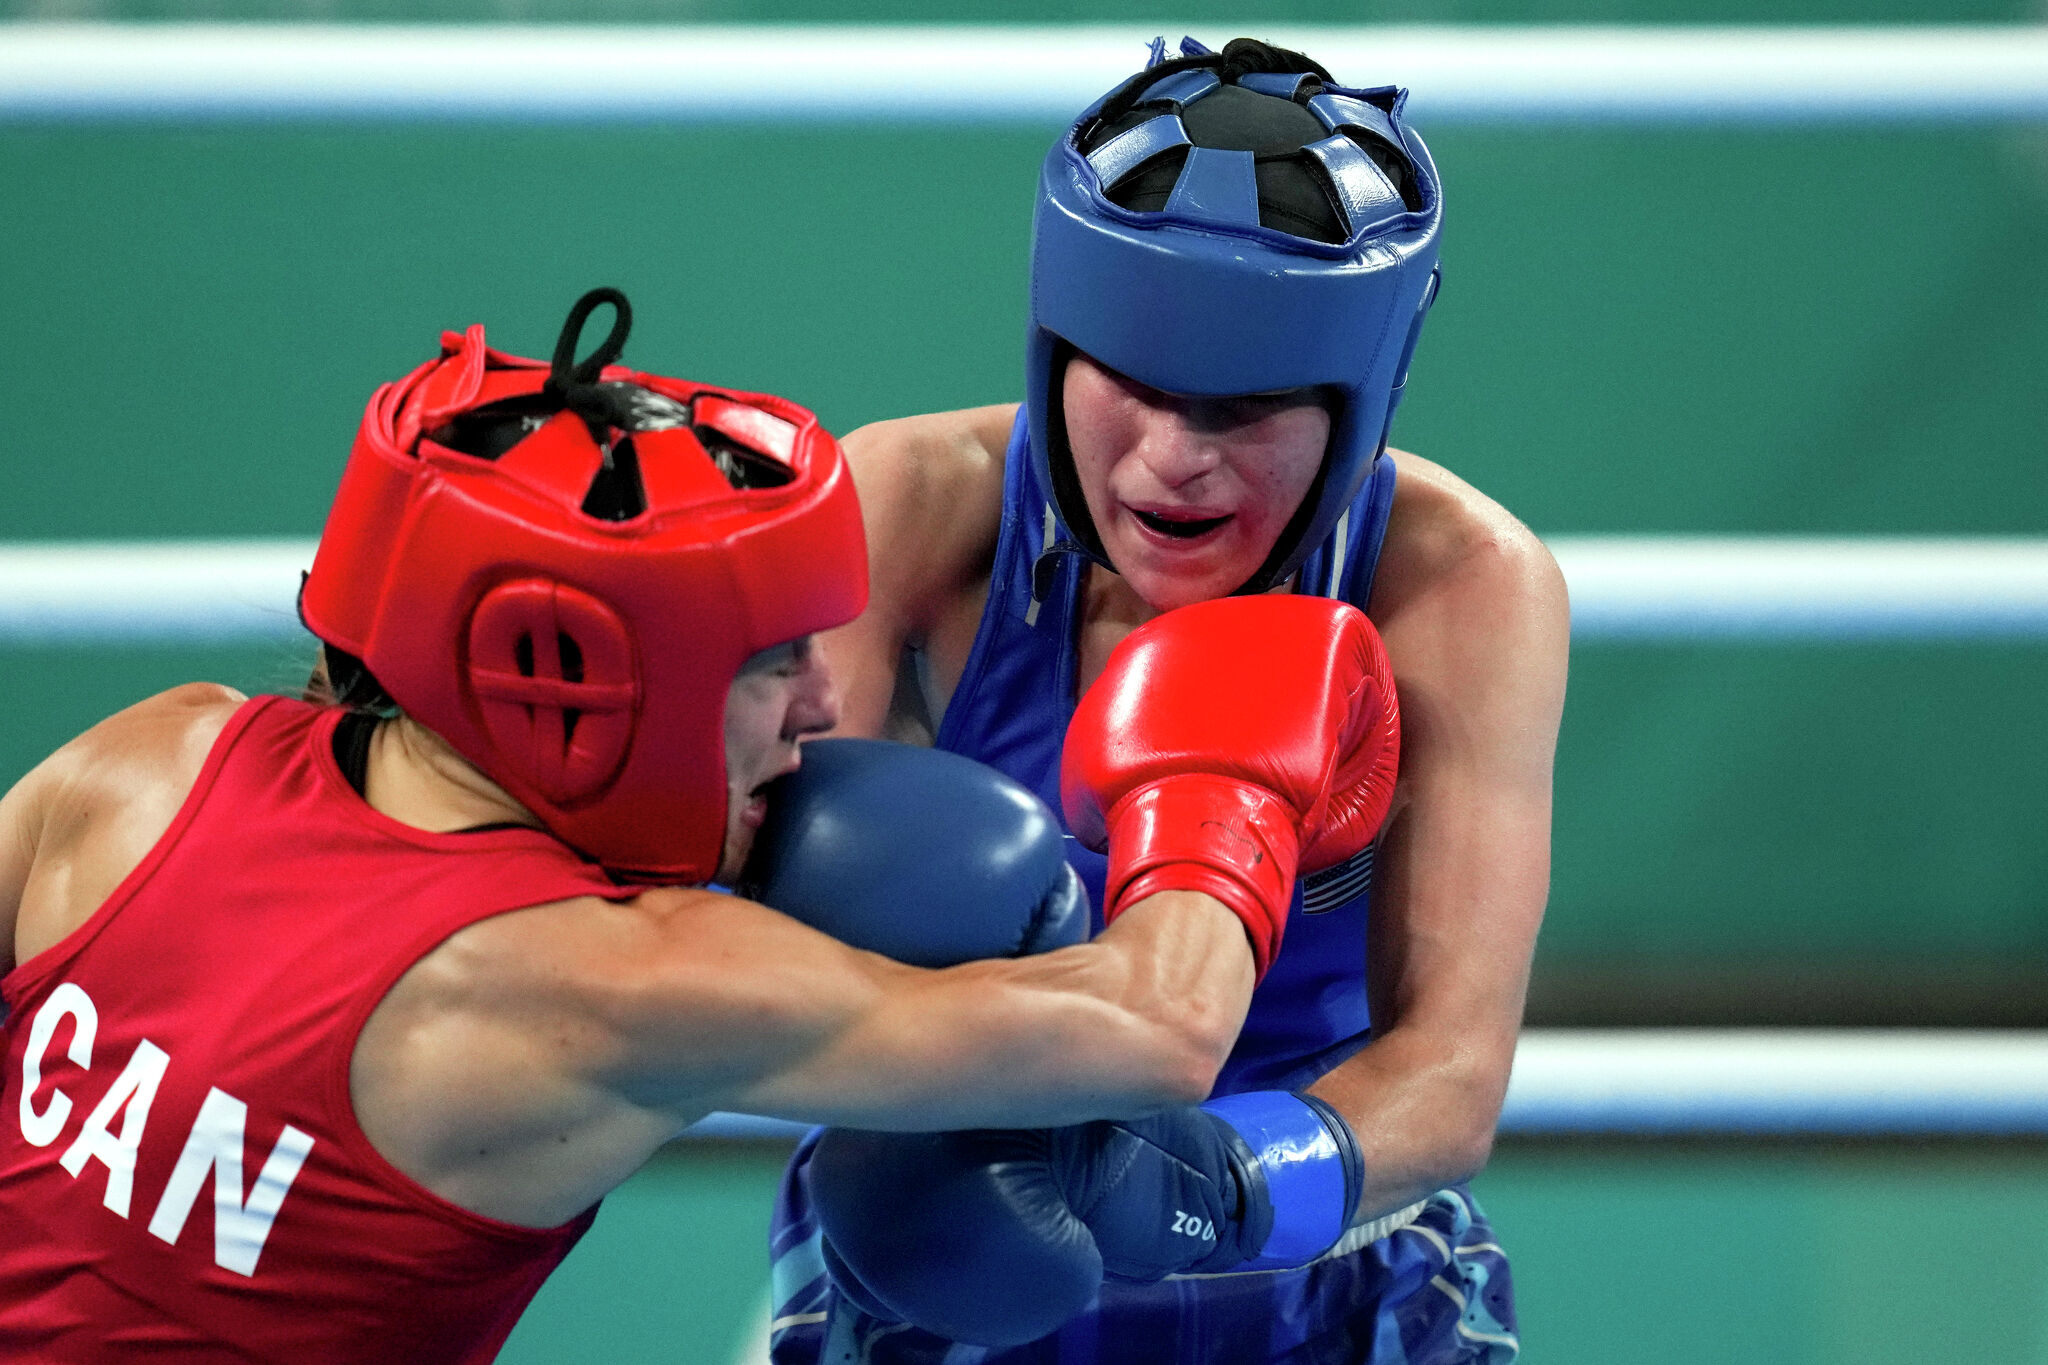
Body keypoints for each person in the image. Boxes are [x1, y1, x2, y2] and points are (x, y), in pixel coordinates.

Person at [0, 289, 1398, 1362]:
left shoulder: (150, 756)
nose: (820, 709)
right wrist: (1220, 783)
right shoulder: (617, 983)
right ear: (579, 685)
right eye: (772, 665)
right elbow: (1158, 1028)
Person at [769, 36, 1568, 1365]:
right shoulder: (900, 513)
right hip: (947, 1231)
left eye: (1244, 410)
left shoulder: (1461, 584)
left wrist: (1211, 1189)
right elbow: (767, 960)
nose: (1174, 459)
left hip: (1330, 1247)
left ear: (1356, 404)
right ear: (1058, 352)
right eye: (1134, 387)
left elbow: (1452, 1078)